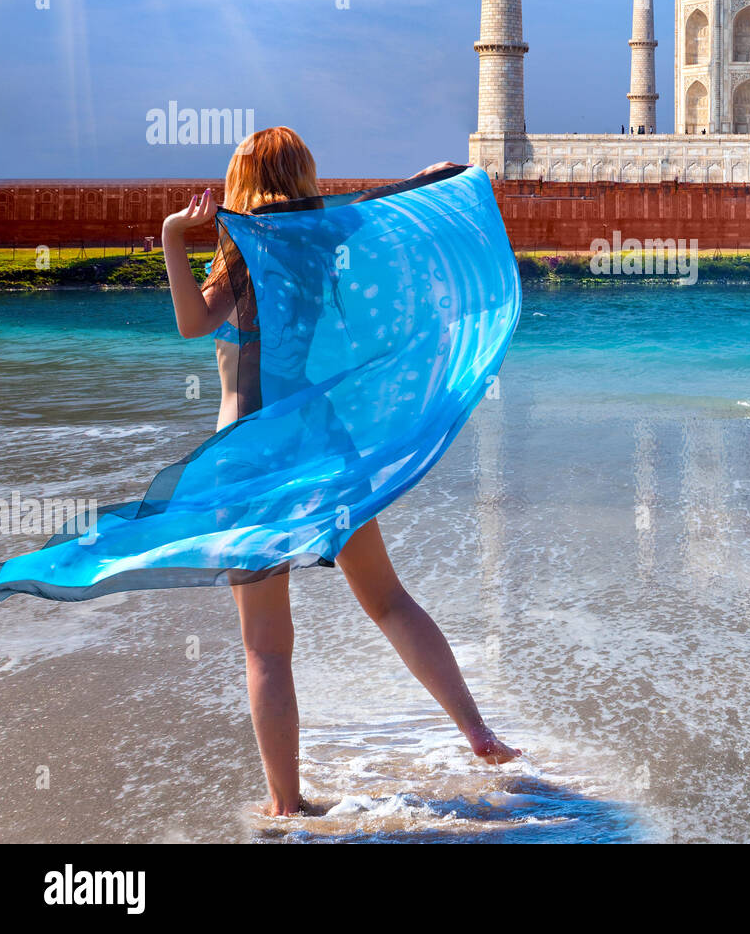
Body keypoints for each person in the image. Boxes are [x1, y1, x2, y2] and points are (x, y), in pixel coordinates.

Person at [161, 127, 521, 817]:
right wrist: (435, 180)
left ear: (238, 182)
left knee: (267, 650)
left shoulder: (237, 261)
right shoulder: (318, 251)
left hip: (251, 465)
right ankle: (478, 732)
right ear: (301, 179)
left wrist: (176, 235)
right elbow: (380, 213)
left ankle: (286, 805)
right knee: (388, 600)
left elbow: (188, 324)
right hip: (325, 450)